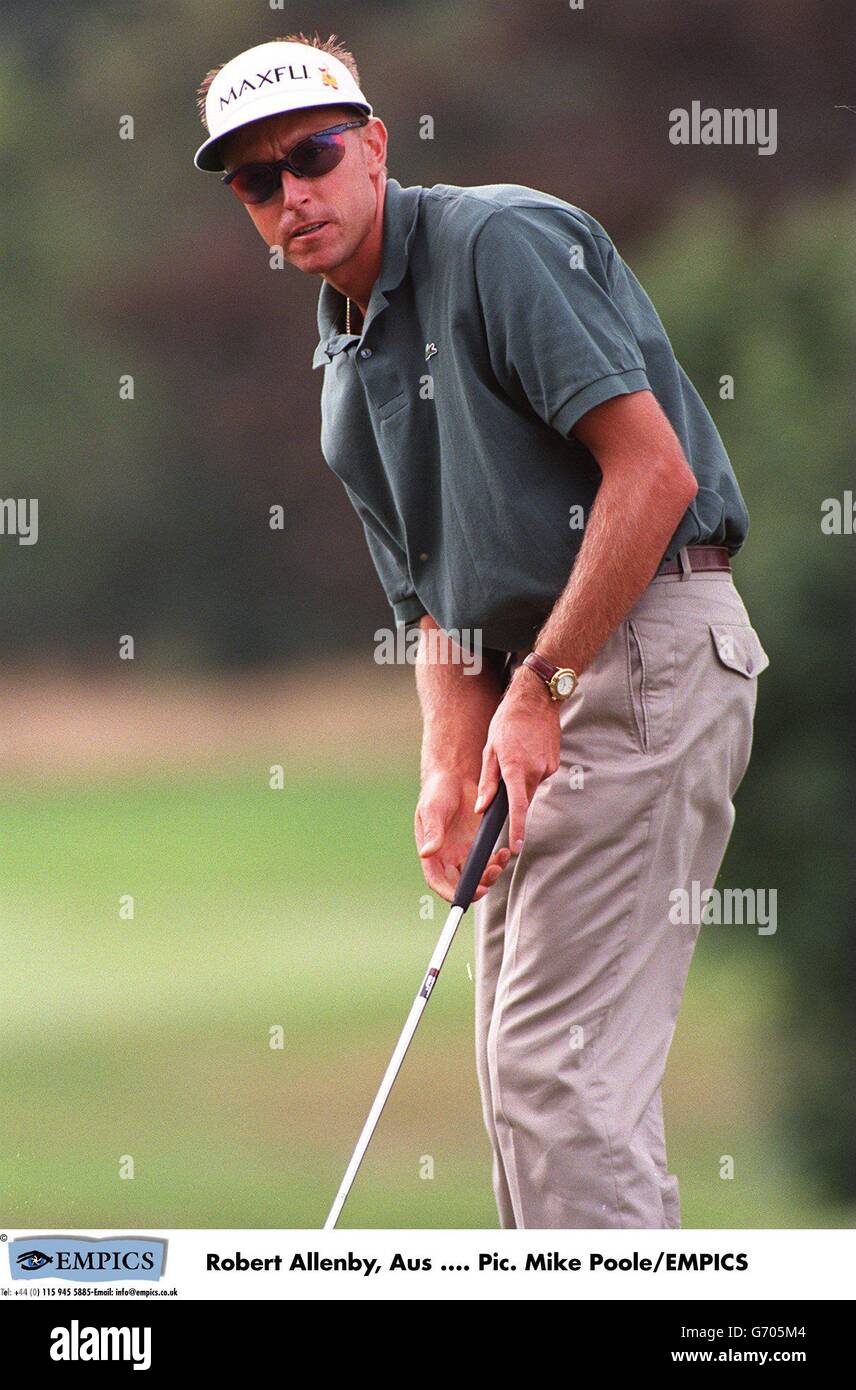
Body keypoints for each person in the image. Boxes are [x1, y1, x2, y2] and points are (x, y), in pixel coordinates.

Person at [194, 33, 770, 1228]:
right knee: (531, 1080)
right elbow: (441, 616)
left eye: (312, 153)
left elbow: (651, 476)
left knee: (557, 1078)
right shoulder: (344, 370)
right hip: (546, 683)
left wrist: (539, 685)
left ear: (373, 146)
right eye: (257, 178)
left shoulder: (496, 242)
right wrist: (446, 769)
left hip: (650, 644)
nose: (292, 193)